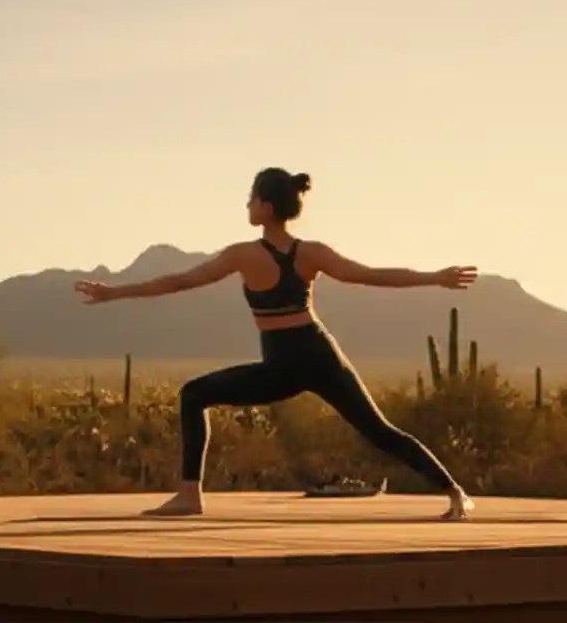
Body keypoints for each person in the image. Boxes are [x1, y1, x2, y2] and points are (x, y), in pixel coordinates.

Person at [73, 167, 479, 520]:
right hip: (309, 355)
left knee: (196, 395)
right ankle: (455, 494)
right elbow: (370, 275)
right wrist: (434, 277)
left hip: (295, 360)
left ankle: (188, 495)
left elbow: (179, 282)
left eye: (251, 199)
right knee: (377, 431)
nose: (246, 206)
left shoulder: (245, 255)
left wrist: (115, 293)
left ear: (266, 207)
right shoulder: (307, 252)